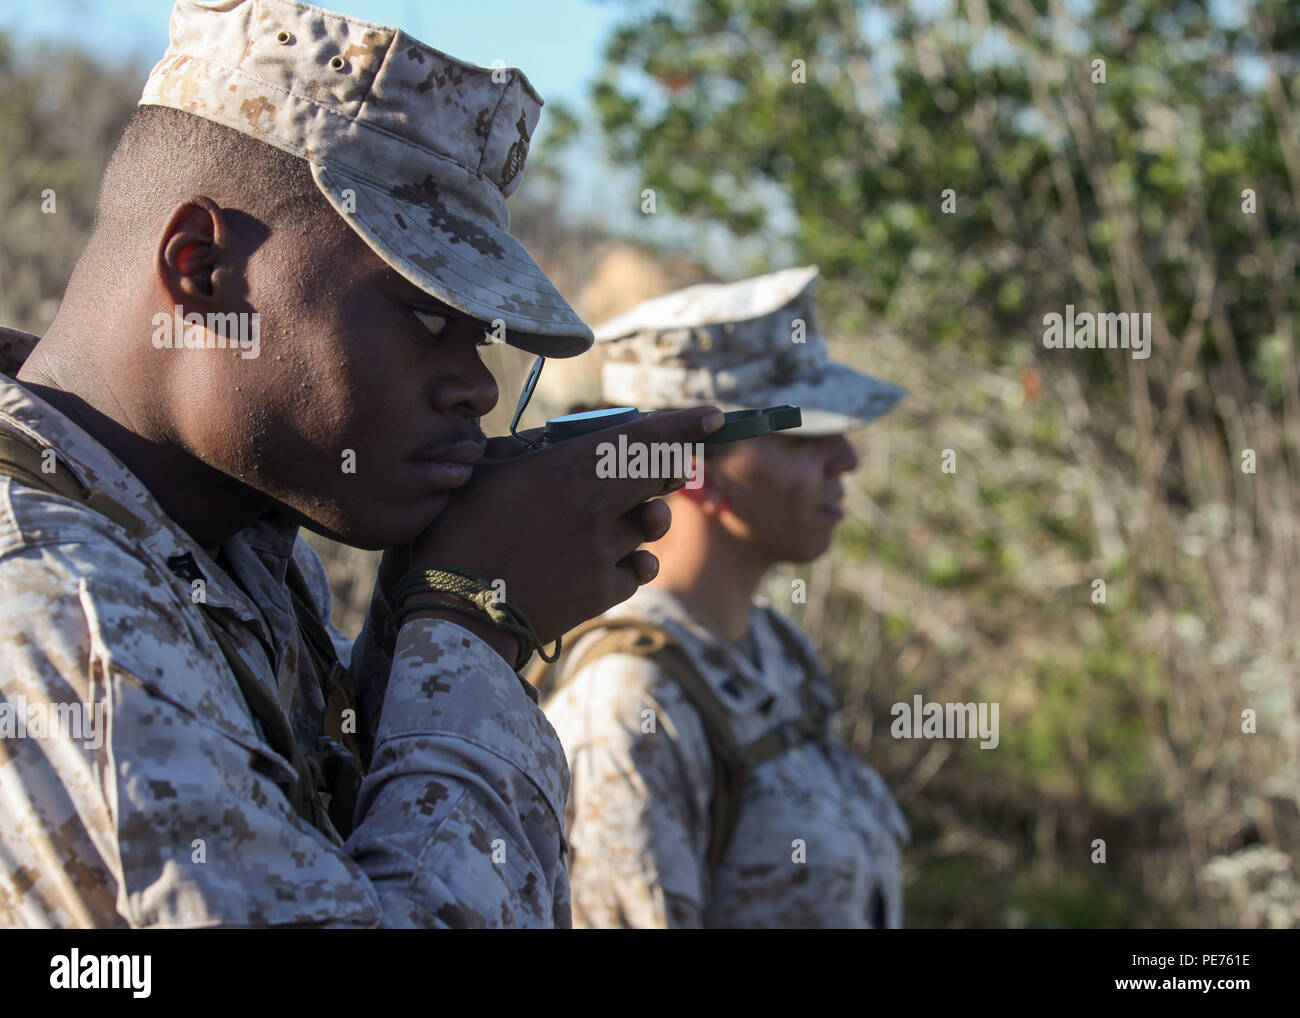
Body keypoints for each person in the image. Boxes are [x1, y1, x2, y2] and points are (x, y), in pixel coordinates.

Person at [0, 0, 721, 928]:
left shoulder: (234, 549)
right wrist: (473, 618)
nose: (479, 390)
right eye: (427, 319)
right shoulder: (57, 608)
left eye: (485, 338)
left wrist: (415, 615)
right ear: (202, 271)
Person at [535, 266, 911, 928]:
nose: (846, 460)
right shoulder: (630, 706)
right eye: (802, 436)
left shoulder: (776, 648)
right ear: (695, 469)